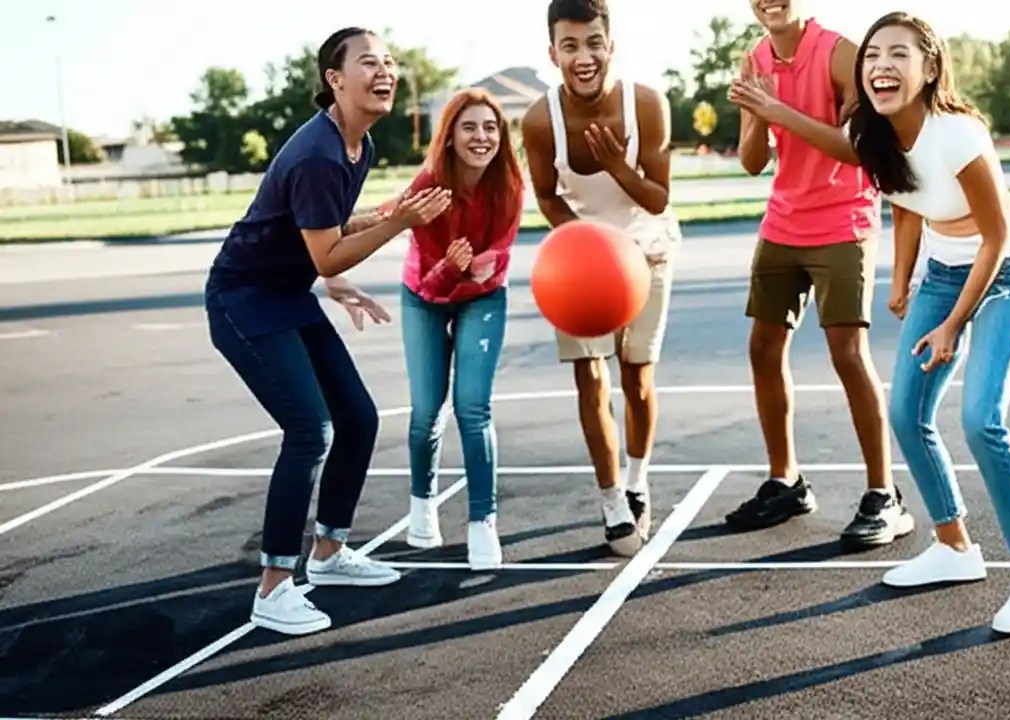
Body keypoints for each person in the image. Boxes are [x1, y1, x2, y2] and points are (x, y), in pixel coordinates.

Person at [204, 27, 450, 636]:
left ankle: (331, 552)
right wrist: (401, 225)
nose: (386, 70)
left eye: (390, 61)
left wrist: (380, 225)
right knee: (309, 429)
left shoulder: (355, 145)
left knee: (359, 419)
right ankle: (274, 587)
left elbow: (326, 232)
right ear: (335, 80)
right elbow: (329, 256)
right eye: (370, 62)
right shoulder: (317, 152)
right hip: (244, 299)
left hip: (285, 294)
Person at [850, 11, 1010, 634]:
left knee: (980, 418)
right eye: (872, 55)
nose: (881, 65)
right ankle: (955, 548)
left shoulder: (958, 133)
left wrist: (951, 326)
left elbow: (994, 239)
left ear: (930, 67)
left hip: (1008, 277)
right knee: (905, 412)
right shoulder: (871, 134)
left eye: (898, 54)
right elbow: (908, 207)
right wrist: (900, 281)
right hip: (940, 277)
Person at [724, 0, 913, 551]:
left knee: (846, 354)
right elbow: (752, 161)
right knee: (763, 346)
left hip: (842, 220)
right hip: (783, 220)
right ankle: (786, 482)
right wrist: (758, 111)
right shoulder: (753, 59)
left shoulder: (841, 54)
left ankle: (884, 494)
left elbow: (857, 150)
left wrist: (776, 109)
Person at [522, 0, 682, 557]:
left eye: (593, 43)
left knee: (637, 380)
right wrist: (586, 245)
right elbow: (545, 195)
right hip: (583, 267)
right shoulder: (541, 120)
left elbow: (659, 198)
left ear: (610, 45)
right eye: (570, 46)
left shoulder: (647, 105)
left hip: (649, 253)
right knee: (590, 379)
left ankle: (637, 479)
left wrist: (618, 166)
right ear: (553, 53)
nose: (583, 57)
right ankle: (612, 499)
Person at [392, 88, 524, 570]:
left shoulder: (509, 182)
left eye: (490, 127)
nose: (481, 136)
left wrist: (483, 268)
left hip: (483, 299)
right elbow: (430, 285)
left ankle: (482, 521)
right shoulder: (427, 186)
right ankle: (422, 504)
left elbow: (500, 252)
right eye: (469, 127)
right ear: (449, 137)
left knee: (472, 405)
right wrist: (455, 269)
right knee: (427, 409)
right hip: (425, 298)